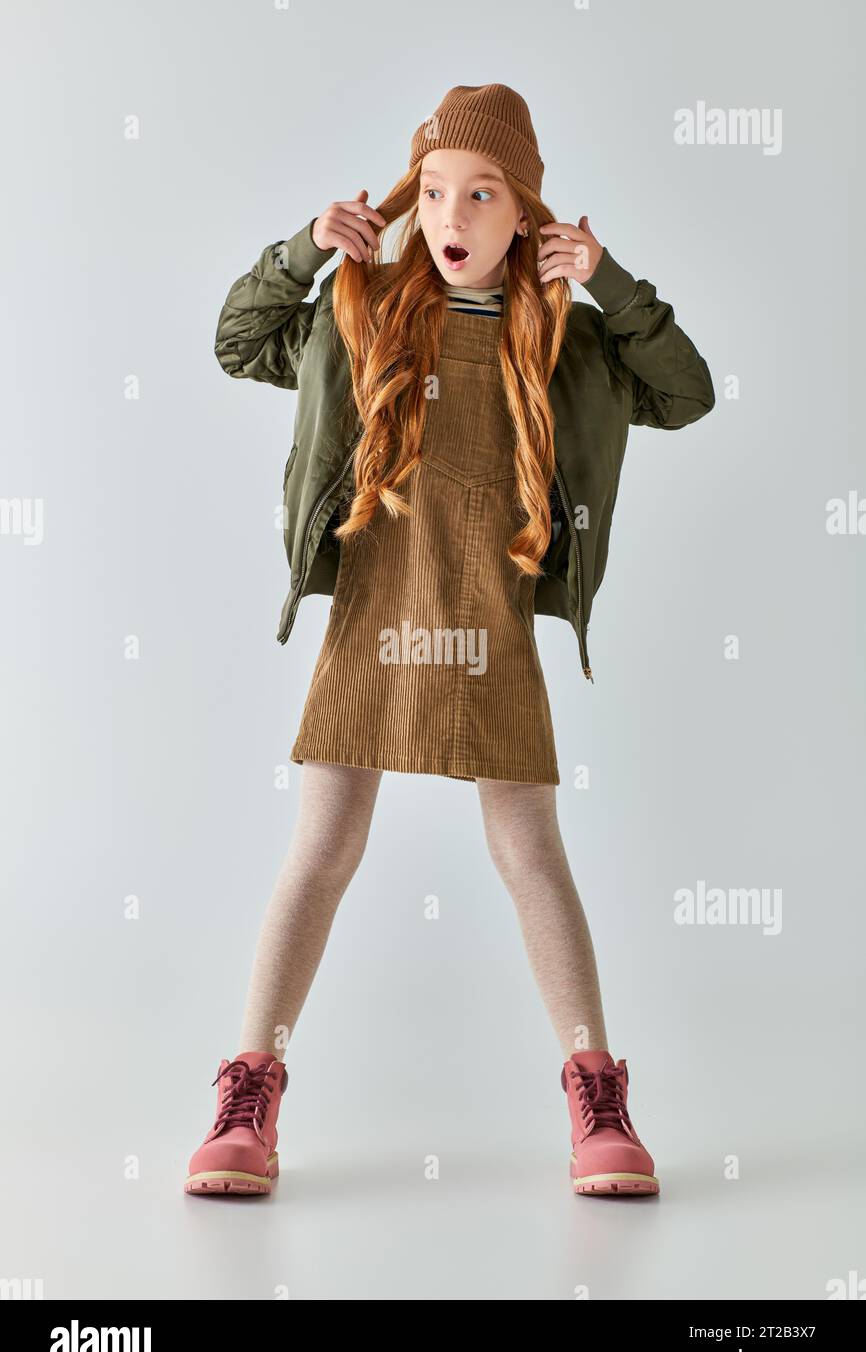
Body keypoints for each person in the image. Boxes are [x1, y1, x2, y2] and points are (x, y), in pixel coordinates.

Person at [184, 83, 715, 1199]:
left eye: (479, 192)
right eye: (432, 193)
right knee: (320, 853)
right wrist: (302, 253)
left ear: (523, 210)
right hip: (376, 613)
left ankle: (594, 1095)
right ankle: (249, 1087)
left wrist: (606, 282)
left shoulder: (569, 335)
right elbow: (238, 342)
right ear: (408, 204)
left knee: (529, 855)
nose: (451, 215)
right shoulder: (360, 310)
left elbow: (685, 393)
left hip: (492, 627)